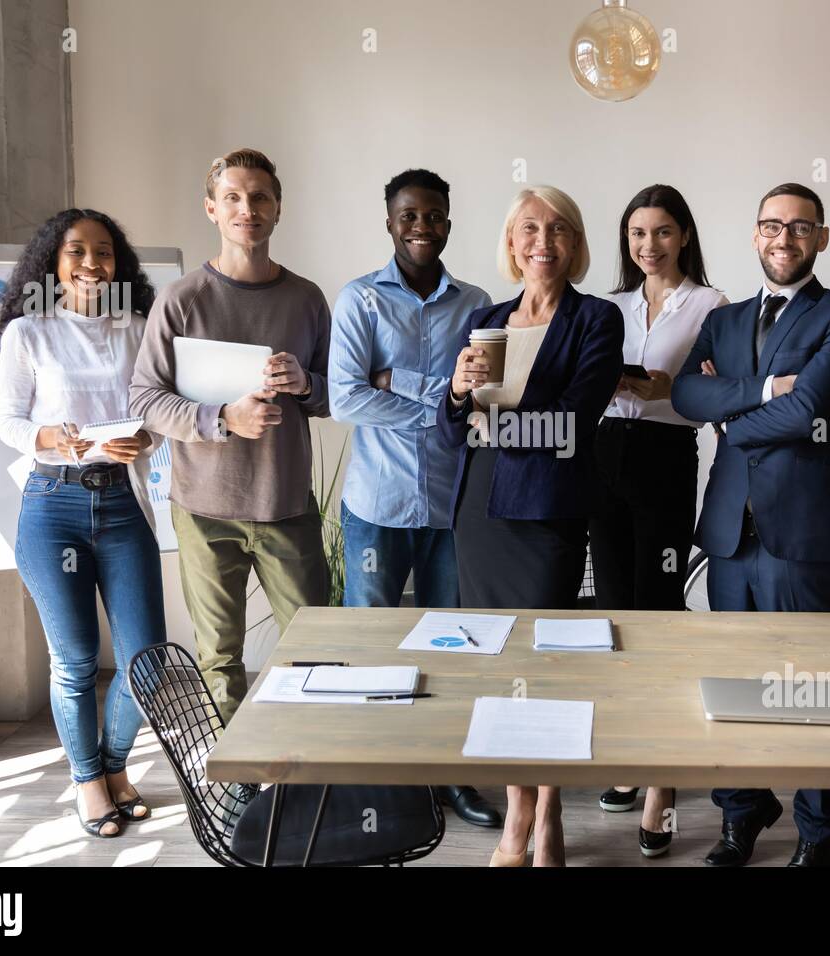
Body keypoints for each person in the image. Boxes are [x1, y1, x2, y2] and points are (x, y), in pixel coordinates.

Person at [672, 183, 830, 867]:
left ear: (820, 238)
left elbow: (814, 411)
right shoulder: (726, 320)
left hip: (804, 531)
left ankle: (819, 831)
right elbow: (683, 393)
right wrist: (761, 393)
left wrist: (730, 416)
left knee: (816, 686)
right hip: (732, 532)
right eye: (770, 225)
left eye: (798, 227)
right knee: (734, 683)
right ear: (755, 234)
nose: (782, 239)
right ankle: (742, 811)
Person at [439, 186, 623, 866]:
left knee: (545, 664)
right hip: (478, 511)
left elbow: (576, 422)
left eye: (557, 229)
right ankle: (517, 811)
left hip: (547, 510)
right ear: (511, 243)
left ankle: (550, 811)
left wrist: (495, 422)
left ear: (574, 244)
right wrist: (458, 390)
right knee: (495, 665)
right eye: (527, 228)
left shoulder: (596, 319)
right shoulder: (486, 317)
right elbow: (448, 425)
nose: (541, 240)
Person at [130, 147, 331, 722]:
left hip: (285, 503)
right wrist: (221, 419)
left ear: (278, 210)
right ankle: (235, 794)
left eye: (261, 197)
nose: (249, 208)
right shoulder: (180, 300)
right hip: (203, 510)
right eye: (234, 198)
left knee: (313, 651)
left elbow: (335, 395)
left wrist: (305, 384)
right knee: (220, 660)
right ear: (212, 210)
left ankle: (306, 781)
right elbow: (145, 400)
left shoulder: (307, 298)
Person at [328, 168, 500, 829]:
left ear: (449, 223)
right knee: (372, 644)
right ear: (390, 222)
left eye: (433, 215)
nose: (422, 226)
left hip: (453, 507)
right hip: (378, 508)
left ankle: (449, 775)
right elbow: (347, 396)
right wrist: (441, 402)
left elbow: (483, 396)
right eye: (409, 215)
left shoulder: (478, 304)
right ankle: (379, 782)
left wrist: (397, 380)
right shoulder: (360, 300)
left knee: (451, 646)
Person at [0, 208, 164, 837]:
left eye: (104, 252)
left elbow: (153, 412)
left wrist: (143, 439)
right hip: (51, 504)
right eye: (76, 251)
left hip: (121, 503)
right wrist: (45, 435)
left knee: (146, 660)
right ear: (52, 262)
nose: (92, 263)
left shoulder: (139, 329)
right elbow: (8, 421)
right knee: (75, 660)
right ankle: (89, 782)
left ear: (118, 263)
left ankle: (116, 766)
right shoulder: (28, 333)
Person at [591, 185, 728, 857]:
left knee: (659, 608)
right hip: (605, 455)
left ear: (684, 237)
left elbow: (716, 389)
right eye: (638, 233)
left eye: (663, 232)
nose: (650, 245)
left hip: (666, 457)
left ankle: (662, 780)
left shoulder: (710, 304)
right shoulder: (608, 307)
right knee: (615, 612)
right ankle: (629, 750)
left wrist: (664, 388)